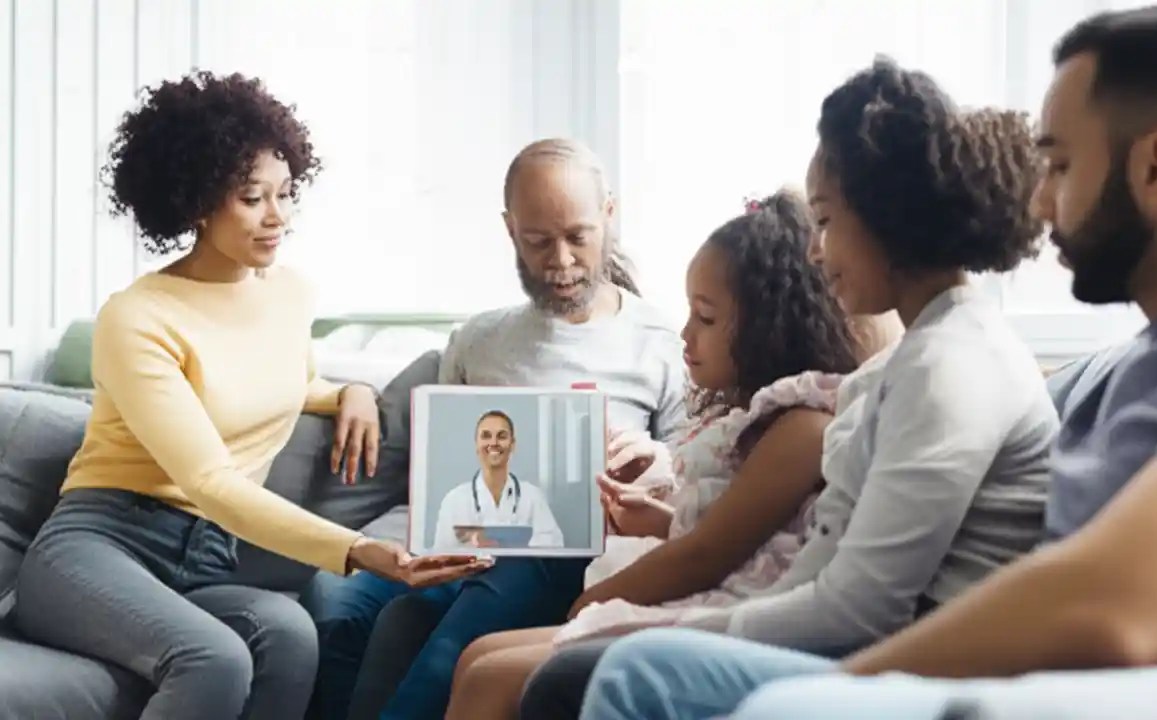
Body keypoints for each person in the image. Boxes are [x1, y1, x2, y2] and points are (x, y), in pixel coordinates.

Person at [579, 5, 1157, 719]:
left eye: (1061, 165)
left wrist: (839, 684)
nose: (1037, 200)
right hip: (1033, 679)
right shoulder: (1128, 365)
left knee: (648, 678)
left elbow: (1121, 606)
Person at [523, 56, 1061, 720]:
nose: (815, 251)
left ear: (887, 218)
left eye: (828, 222)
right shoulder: (911, 359)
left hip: (917, 658)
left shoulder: (951, 365)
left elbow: (859, 607)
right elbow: (820, 574)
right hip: (859, 633)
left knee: (611, 671)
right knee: (579, 663)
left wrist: (664, 632)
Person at [8, 71, 480, 720]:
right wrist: (358, 550)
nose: (277, 217)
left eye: (286, 194)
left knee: (288, 634)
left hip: (203, 560)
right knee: (215, 658)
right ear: (197, 201)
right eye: (252, 197)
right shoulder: (138, 316)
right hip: (100, 547)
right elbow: (208, 479)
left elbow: (280, 382)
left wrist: (355, 392)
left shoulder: (289, 294)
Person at [442, 189, 880, 719]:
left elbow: (706, 557)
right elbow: (736, 532)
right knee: (479, 655)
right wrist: (661, 521)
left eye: (707, 318)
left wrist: (590, 605)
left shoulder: (804, 426)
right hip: (711, 594)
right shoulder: (748, 419)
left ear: (769, 329)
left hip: (731, 613)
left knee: (492, 674)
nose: (685, 333)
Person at [301, 137, 688, 720]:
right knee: (339, 604)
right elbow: (441, 461)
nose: (560, 260)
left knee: (454, 631)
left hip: (566, 550)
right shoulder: (480, 339)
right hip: (463, 536)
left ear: (609, 216)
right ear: (511, 231)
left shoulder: (662, 342)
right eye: (538, 241)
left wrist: (650, 457)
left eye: (577, 237)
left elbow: (694, 470)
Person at [432, 411, 564, 549]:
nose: (494, 443)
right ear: (476, 444)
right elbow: (442, 559)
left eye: (502, 436)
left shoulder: (533, 497)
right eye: (486, 436)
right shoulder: (454, 501)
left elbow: (553, 550)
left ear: (512, 444)